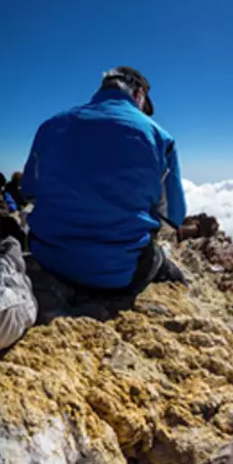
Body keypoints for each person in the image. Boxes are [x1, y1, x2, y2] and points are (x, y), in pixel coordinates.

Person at [20, 66, 217, 297]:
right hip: (120, 276)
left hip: (47, 258)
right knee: (166, 266)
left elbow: (28, 191)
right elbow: (173, 216)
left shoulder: (50, 126)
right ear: (138, 95)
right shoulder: (160, 138)